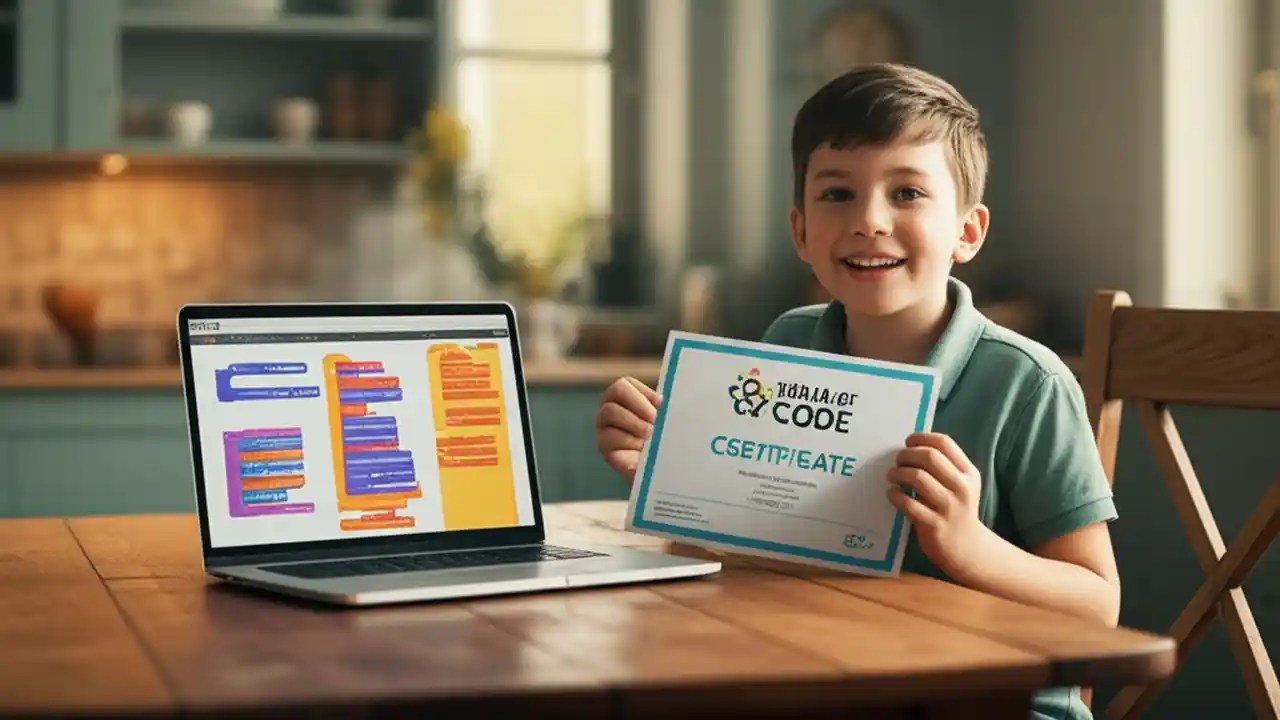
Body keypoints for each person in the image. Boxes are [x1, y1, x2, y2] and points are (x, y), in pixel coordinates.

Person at [593, 62, 1119, 720]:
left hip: (990, 702)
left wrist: (967, 545)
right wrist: (668, 476)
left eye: (906, 193)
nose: (870, 220)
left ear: (968, 232)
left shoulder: (1028, 383)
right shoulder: (785, 343)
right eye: (838, 194)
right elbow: (735, 551)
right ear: (802, 231)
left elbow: (1099, 605)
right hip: (827, 681)